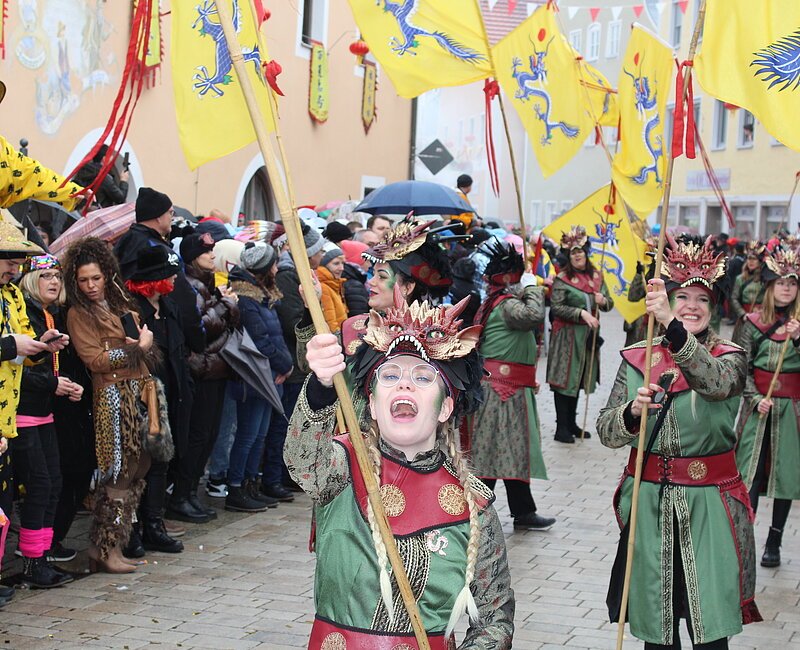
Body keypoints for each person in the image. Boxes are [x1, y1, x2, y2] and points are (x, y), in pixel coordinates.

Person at [287, 291, 514, 648]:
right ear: (373, 404)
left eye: (423, 378)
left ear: (445, 408)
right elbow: (302, 462)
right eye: (390, 376)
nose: (405, 384)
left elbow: (494, 618)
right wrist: (321, 387)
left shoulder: (475, 505)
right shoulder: (341, 467)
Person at [597, 236, 761, 649]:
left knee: (710, 626)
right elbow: (605, 431)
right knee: (658, 625)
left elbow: (715, 384)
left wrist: (673, 328)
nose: (691, 305)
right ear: (667, 297)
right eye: (681, 296)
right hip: (650, 503)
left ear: (714, 308)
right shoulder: (637, 357)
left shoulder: (730, 356)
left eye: (701, 299)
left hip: (710, 504)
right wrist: (632, 414)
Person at [63, 237, 172, 573]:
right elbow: (95, 359)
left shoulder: (119, 303)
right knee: (119, 473)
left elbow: (145, 349)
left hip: (141, 392)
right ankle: (104, 547)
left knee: (140, 469)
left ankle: (115, 543)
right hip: (113, 398)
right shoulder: (78, 313)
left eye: (95, 277)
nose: (91, 285)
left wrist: (145, 343)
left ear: (106, 274)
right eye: (83, 280)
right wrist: (137, 348)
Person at [469, 241, 555, 531]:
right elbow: (533, 316)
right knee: (493, 451)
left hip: (512, 387)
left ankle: (522, 510)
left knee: (511, 451)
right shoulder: (507, 304)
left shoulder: (500, 301)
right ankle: (477, 508)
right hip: (499, 391)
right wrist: (533, 288)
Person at [12, 255, 83, 587]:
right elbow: (15, 371)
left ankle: (40, 557)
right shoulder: (20, 309)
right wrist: (53, 383)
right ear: (30, 280)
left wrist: (63, 383)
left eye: (58, 276)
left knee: (52, 483)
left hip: (44, 410)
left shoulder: (47, 313)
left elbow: (38, 363)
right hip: (22, 410)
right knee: (39, 485)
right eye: (46, 276)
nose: (55, 282)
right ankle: (31, 563)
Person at [733, 246, 800, 569]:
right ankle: (744, 537)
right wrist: (754, 397)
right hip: (756, 408)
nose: (786, 287)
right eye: (781, 282)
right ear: (770, 286)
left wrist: (798, 340)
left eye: (793, 282)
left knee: (785, 476)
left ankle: (774, 542)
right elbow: (739, 366)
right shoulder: (752, 323)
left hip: (791, 410)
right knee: (751, 474)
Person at [168, 233, 239, 521]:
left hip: (214, 368)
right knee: (198, 436)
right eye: (206, 251)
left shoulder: (209, 283)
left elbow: (223, 323)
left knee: (207, 436)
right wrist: (225, 305)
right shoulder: (189, 285)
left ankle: (187, 495)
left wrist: (224, 307)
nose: (212, 254)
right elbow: (200, 328)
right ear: (192, 256)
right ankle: (181, 496)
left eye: (212, 250)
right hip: (202, 369)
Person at [124, 247, 187, 553]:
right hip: (143, 395)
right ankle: (132, 529)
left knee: (162, 461)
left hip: (171, 393)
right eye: (168, 273)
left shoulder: (170, 306)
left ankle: (154, 525)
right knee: (139, 464)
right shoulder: (132, 311)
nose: (174, 278)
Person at [227, 241, 293, 511]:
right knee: (248, 434)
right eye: (273, 264)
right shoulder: (247, 298)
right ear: (263, 269)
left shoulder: (262, 295)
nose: (277, 268)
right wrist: (285, 364)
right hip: (255, 376)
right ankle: (235, 487)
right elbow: (261, 340)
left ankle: (251, 483)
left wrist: (282, 365)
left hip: (270, 373)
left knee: (261, 434)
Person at [114, 187, 205, 354]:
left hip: (142, 333)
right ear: (157, 216)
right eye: (170, 212)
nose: (173, 216)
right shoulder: (156, 249)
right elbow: (183, 297)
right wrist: (198, 340)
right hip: (160, 336)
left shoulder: (126, 241)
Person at [547, 226, 613, 443]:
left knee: (578, 379)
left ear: (586, 253)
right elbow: (556, 307)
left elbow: (608, 304)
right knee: (564, 380)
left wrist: (603, 301)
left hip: (587, 338)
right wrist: (581, 313)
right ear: (568, 257)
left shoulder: (596, 277)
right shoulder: (562, 278)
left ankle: (572, 423)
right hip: (566, 338)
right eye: (573, 253)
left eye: (580, 252)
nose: (577, 256)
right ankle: (561, 427)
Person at [730, 241, 766, 340]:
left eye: (754, 259)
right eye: (749, 258)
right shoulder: (740, 278)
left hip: (761, 318)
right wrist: (742, 314)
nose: (750, 261)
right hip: (745, 318)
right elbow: (734, 298)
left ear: (760, 261)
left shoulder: (765, 279)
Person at [317, 243, 348, 333]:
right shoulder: (324, 287)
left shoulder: (334, 284)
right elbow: (330, 321)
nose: (341, 268)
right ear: (324, 265)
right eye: (336, 263)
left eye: (342, 263)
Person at [338, 239, 371, 317]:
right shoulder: (354, 285)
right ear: (357, 260)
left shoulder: (352, 278)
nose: (369, 265)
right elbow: (358, 318)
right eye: (367, 260)